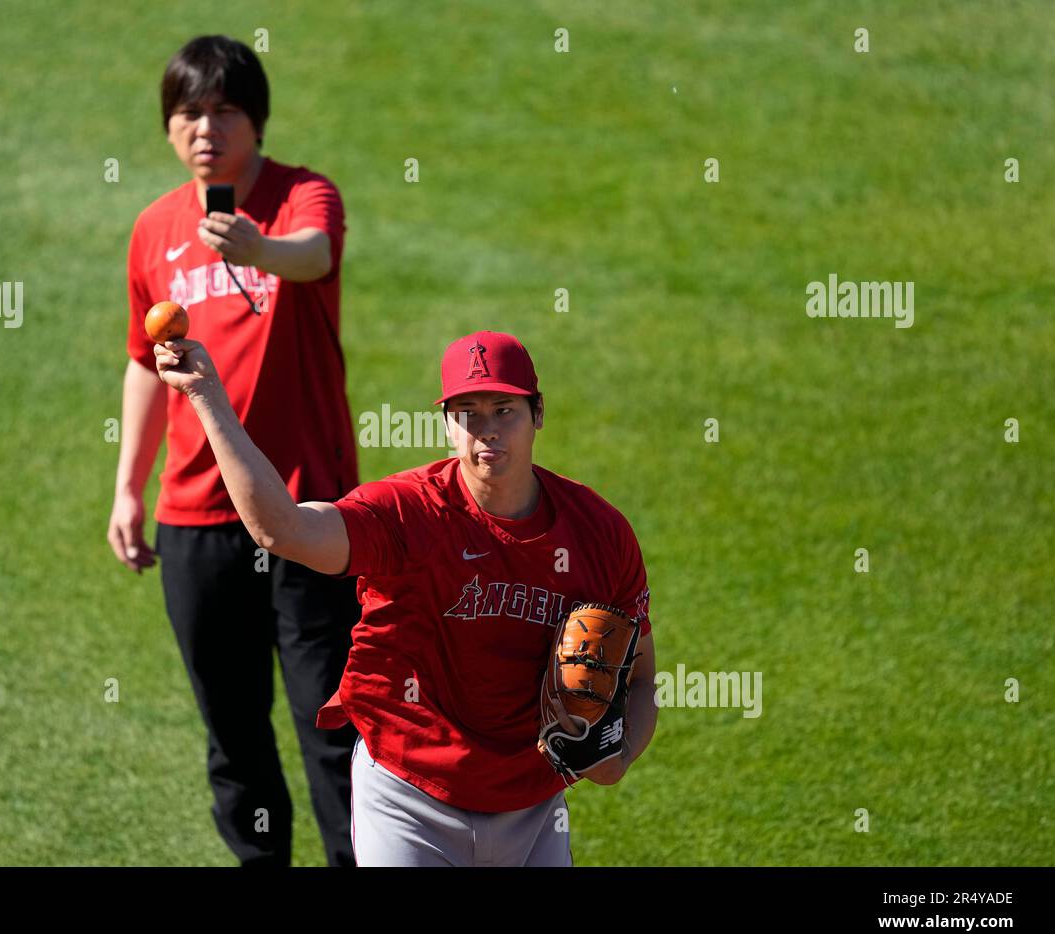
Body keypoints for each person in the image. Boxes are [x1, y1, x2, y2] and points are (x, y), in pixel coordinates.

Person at [152, 328, 657, 867]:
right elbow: (283, 530)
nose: (486, 432)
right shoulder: (405, 513)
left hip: (533, 805)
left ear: (537, 414)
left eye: (504, 410)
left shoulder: (599, 533)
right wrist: (207, 397)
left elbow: (644, 674)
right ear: (446, 424)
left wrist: (620, 754)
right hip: (408, 800)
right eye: (467, 412)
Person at [107, 34, 360, 866]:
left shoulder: (301, 197)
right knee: (233, 734)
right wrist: (128, 490)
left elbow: (315, 256)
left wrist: (258, 249)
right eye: (187, 113)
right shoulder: (154, 230)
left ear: (255, 118)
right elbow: (145, 366)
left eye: (223, 110)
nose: (205, 127)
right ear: (169, 129)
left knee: (333, 723)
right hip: (196, 517)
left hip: (306, 509)